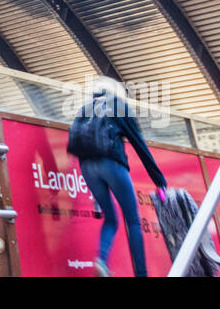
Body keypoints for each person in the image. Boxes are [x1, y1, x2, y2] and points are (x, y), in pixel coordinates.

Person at [67, 77, 167, 277]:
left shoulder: (84, 109)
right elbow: (139, 144)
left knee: (110, 219)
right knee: (133, 221)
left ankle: (101, 261)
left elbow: (79, 144)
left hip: (87, 167)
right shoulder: (118, 105)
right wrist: (159, 181)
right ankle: (141, 273)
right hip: (112, 164)